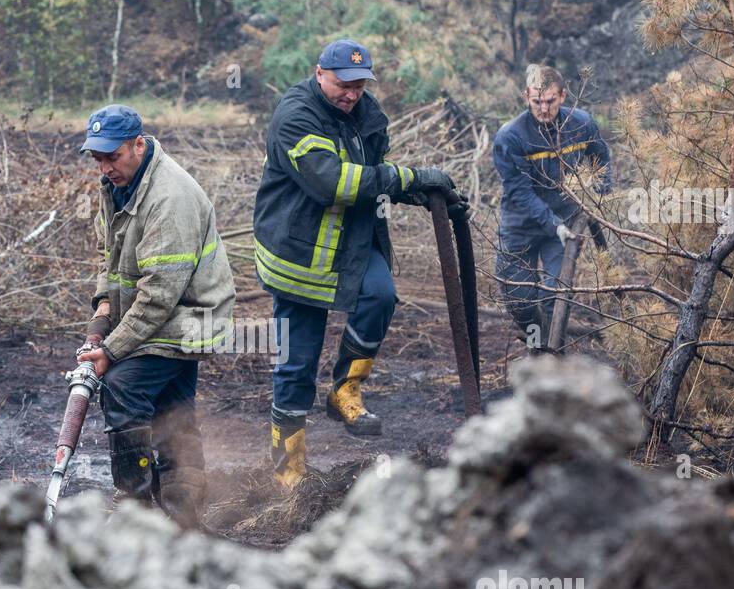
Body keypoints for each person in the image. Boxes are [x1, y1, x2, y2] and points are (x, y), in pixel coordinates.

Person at [252, 38, 463, 490]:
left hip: (351, 241)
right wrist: (412, 176)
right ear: (319, 73)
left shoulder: (366, 113)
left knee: (381, 295)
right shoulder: (296, 117)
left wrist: (425, 192)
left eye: (360, 85)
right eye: (343, 85)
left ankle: (346, 387)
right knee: (296, 366)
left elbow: (374, 173)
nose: (351, 94)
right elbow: (337, 183)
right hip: (299, 256)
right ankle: (288, 474)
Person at [79, 105, 236, 528]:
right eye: (97, 157)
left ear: (138, 145)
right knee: (173, 411)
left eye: (112, 156)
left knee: (121, 386)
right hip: (164, 315)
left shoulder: (169, 197)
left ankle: (135, 509)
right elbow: (108, 257)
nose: (105, 166)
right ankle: (183, 517)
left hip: (190, 317)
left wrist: (110, 349)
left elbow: (158, 296)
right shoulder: (117, 186)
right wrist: (102, 313)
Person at [492, 64, 612, 346]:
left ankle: (552, 357)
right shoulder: (511, 136)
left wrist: (600, 191)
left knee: (555, 296)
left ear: (563, 96)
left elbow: (601, 156)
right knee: (520, 301)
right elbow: (519, 192)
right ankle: (538, 345)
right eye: (537, 102)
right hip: (520, 227)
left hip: (564, 225)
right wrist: (552, 223)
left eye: (550, 101)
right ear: (526, 97)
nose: (543, 109)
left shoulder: (581, 123)